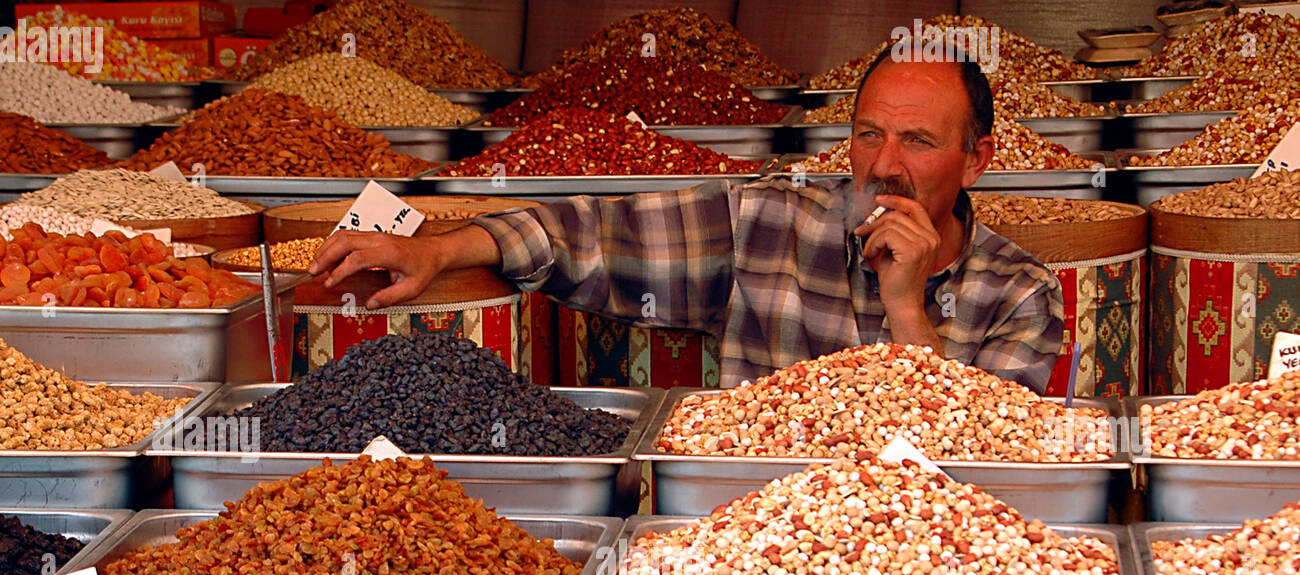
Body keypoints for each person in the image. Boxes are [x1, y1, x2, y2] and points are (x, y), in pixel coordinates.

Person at [311, 43, 1065, 391]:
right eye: (869, 133)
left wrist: (907, 308)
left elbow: (990, 470)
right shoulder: (771, 222)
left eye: (919, 142)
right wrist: (443, 250)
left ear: (975, 161)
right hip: (755, 537)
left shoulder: (1020, 293)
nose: (885, 163)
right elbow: (593, 236)